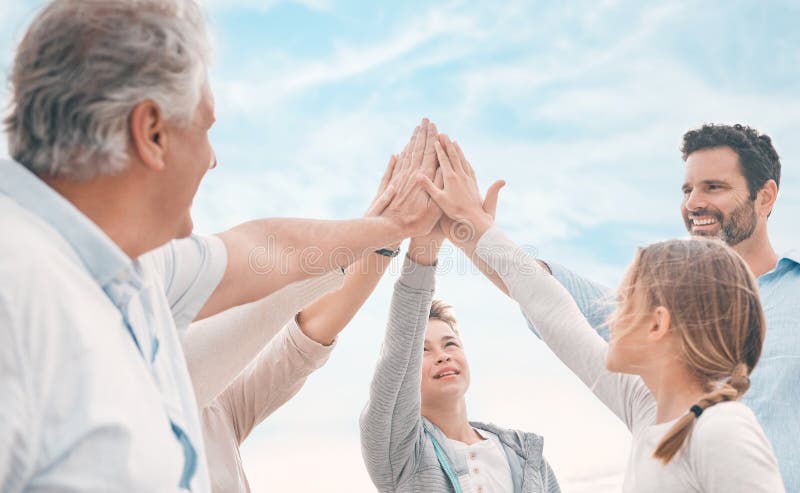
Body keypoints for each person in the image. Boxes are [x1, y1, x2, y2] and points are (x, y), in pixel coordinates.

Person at [0, 0, 440, 490]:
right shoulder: (17, 298)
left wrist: (387, 226)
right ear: (151, 132)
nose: (212, 160)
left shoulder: (140, 269)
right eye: (205, 127)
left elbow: (267, 247)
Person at [418, 134, 785, 492]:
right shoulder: (648, 408)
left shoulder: (723, 431)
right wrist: (473, 231)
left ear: (659, 324)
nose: (609, 315)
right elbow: (555, 313)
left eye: (625, 300)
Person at [514, 124, 798, 491]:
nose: (694, 202)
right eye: (687, 189)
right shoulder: (660, 312)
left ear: (765, 197)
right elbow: (549, 297)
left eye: (714, 186)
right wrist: (469, 227)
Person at [187, 147, 419, 492]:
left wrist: (383, 236)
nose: (213, 159)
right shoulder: (139, 379)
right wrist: (377, 230)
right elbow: (276, 269)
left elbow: (305, 339)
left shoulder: (219, 408)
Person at [359, 186, 561, 493]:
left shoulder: (526, 456)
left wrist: (483, 238)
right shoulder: (401, 456)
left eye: (450, 344)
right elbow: (398, 353)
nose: (442, 355)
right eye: (422, 351)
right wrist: (425, 248)